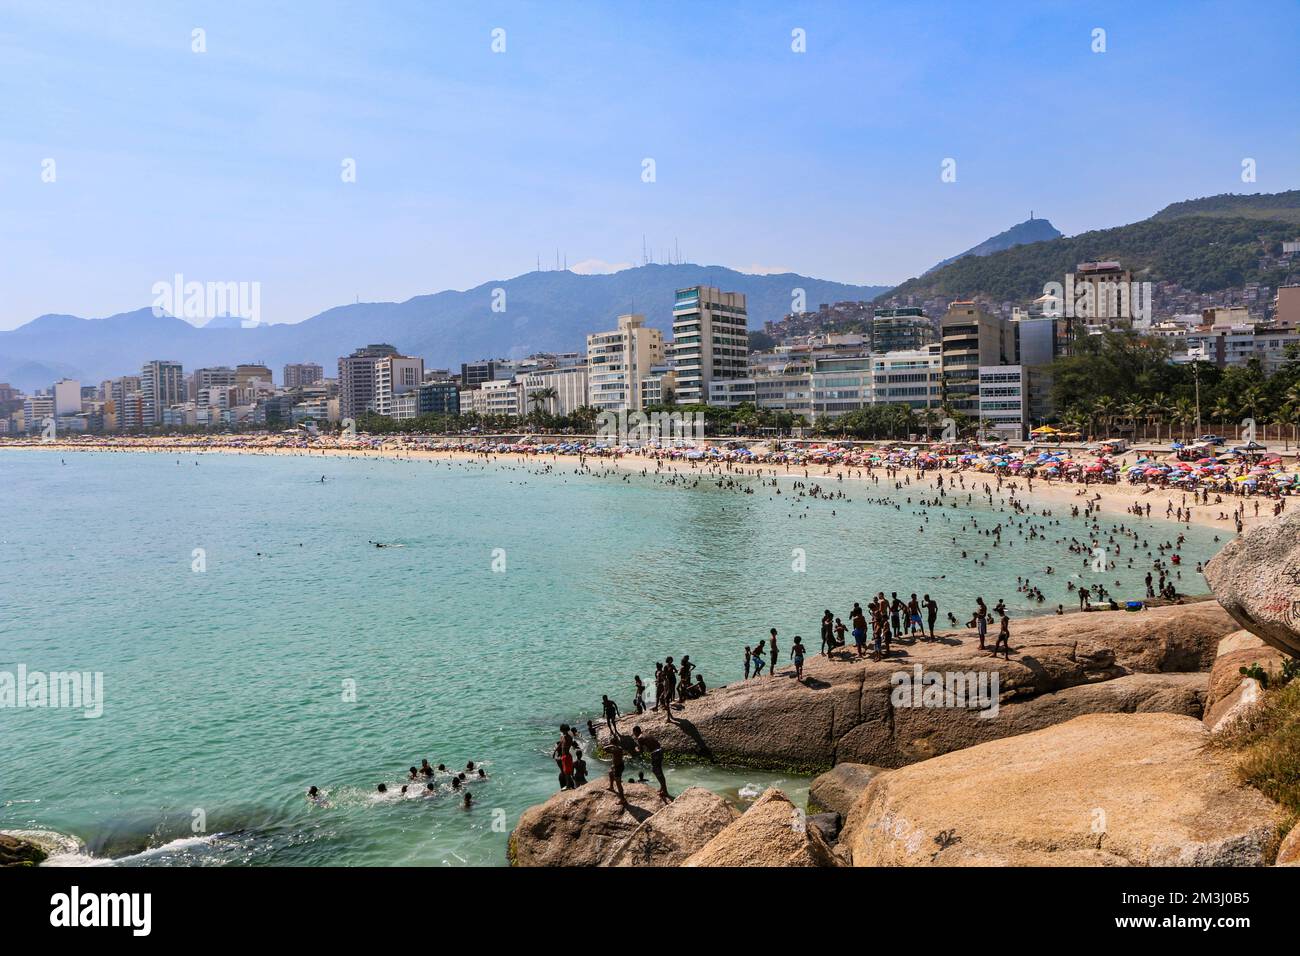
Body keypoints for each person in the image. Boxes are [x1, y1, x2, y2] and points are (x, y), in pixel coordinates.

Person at [632, 726, 670, 802]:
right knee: (658, 771)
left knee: (657, 771)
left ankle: (665, 791)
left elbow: (641, 751)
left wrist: (636, 749)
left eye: (634, 733)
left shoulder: (640, 738)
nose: (634, 735)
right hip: (659, 751)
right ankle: (663, 788)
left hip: (655, 753)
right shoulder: (645, 733)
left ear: (636, 732)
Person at [606, 737, 628, 806]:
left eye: (611, 742)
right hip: (618, 765)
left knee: (618, 784)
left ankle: (622, 800)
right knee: (610, 772)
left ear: (612, 743)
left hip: (618, 767)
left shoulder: (615, 749)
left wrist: (610, 745)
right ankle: (611, 787)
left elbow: (605, 749)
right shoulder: (619, 747)